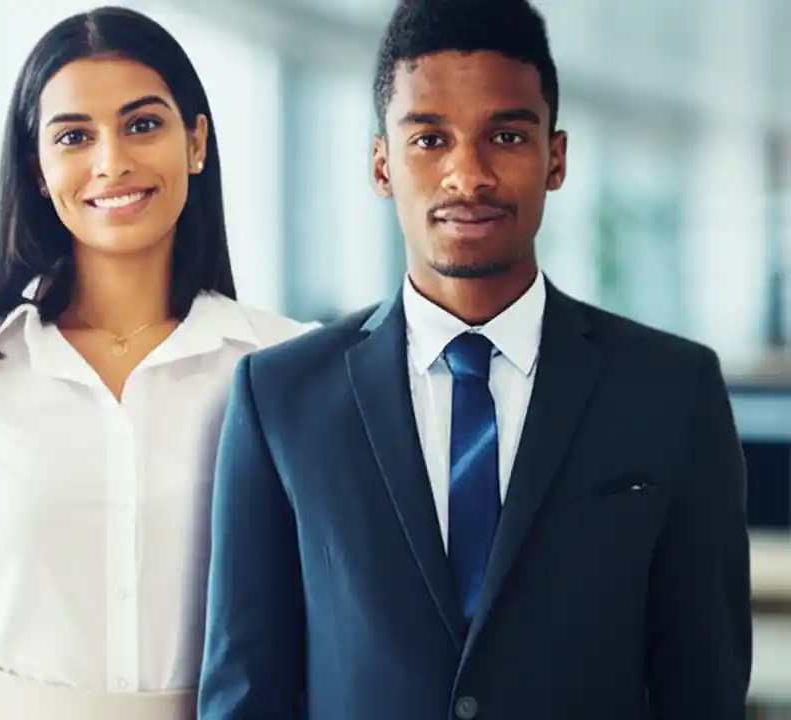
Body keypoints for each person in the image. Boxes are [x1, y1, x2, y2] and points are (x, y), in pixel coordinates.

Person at [198, 0, 751, 718]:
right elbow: (246, 692)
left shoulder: (672, 393)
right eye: (429, 139)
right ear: (381, 165)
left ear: (555, 158)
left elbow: (703, 693)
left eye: (507, 135)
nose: (469, 175)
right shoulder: (281, 399)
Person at [0, 7, 311, 720]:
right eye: (75, 136)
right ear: (38, 170)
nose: (112, 161)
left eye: (143, 125)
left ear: (195, 142)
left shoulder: (286, 365)